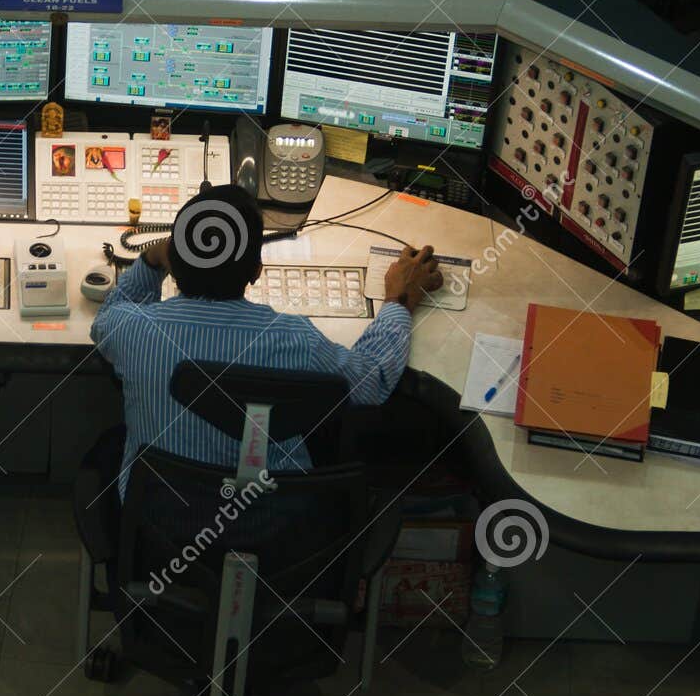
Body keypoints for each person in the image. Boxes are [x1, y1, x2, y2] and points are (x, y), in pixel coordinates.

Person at [84, 185, 442, 503]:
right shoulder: (294, 339)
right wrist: (398, 301)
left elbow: (106, 317)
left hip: (157, 521)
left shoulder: (130, 329)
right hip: (269, 523)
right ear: (256, 271)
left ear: (174, 263)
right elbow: (372, 383)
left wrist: (150, 260)